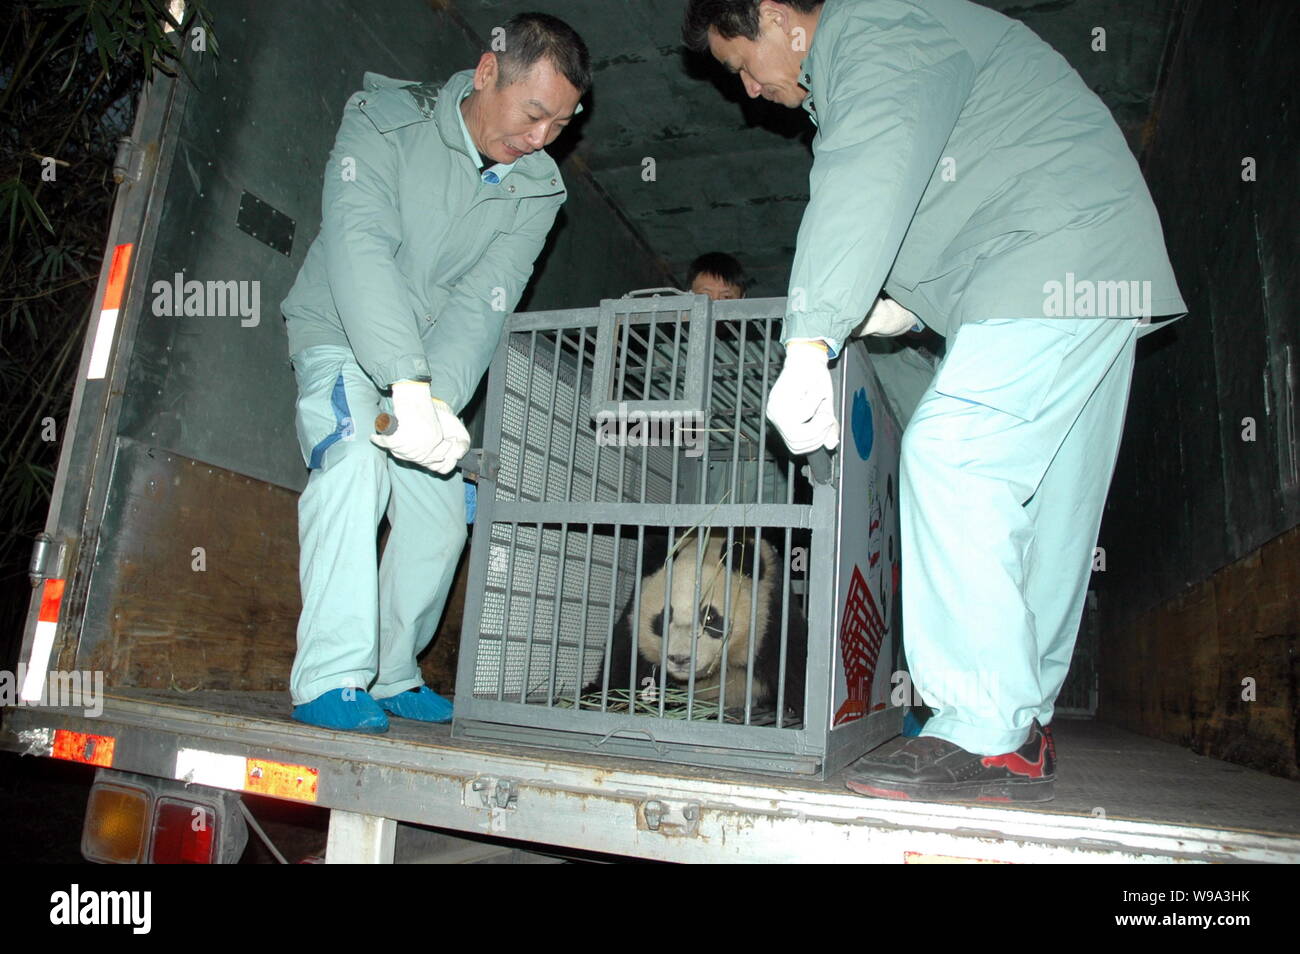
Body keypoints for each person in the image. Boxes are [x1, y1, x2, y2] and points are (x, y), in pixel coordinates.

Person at [683, 0, 1185, 802]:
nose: (744, 88)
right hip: (1089, 259)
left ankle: (983, 722)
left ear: (779, 16)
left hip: (1050, 254)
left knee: (952, 452)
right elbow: (953, 187)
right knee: (1051, 512)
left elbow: (871, 170)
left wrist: (810, 338)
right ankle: (1018, 722)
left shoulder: (871, 30)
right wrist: (907, 308)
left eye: (741, 61)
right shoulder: (905, 42)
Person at [280, 13, 590, 732]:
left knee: (442, 521)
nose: (542, 139)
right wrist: (403, 382)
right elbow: (360, 247)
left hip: (422, 371)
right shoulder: (384, 121)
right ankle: (330, 676)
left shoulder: (537, 191)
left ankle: (391, 672)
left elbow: (485, 302)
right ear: (489, 74)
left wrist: (438, 401)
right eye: (534, 113)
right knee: (353, 464)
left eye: (562, 125)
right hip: (342, 336)